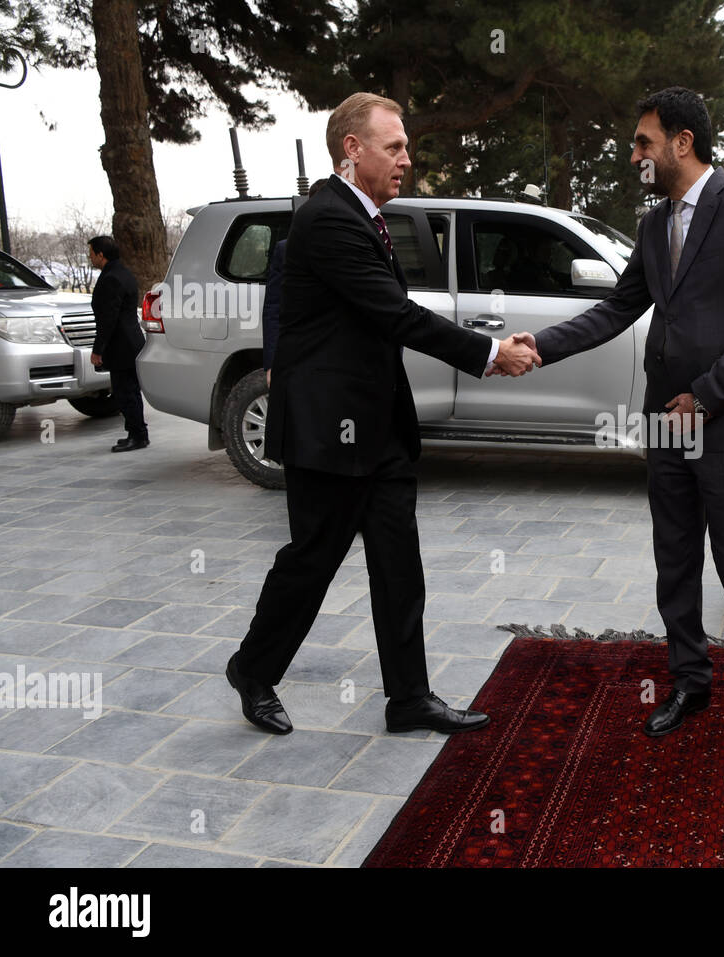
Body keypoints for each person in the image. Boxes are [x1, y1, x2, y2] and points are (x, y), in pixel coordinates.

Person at [226, 92, 540, 736]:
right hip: (328, 431)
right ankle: (252, 670)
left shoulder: (364, 216)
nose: (406, 159)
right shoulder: (328, 218)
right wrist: (488, 353)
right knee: (313, 561)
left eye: (406, 148)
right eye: (394, 147)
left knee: (399, 566)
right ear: (353, 149)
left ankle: (409, 698)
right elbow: (394, 314)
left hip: (379, 430)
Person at [525, 87, 724, 753]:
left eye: (644, 142)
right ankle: (689, 681)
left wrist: (704, 396)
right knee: (674, 560)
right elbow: (617, 308)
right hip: (666, 424)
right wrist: (539, 346)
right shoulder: (653, 226)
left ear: (682, 142)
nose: (635, 154)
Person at [262, 179, 330, 385]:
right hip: (303, 357)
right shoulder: (287, 249)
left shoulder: (358, 243)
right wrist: (272, 363)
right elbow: (274, 308)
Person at [87, 236, 148, 452]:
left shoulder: (111, 278)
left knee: (125, 393)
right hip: (131, 341)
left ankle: (137, 436)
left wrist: (98, 350)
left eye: (91, 253)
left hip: (121, 344)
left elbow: (108, 319)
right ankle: (137, 432)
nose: (90, 257)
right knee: (130, 391)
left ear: (101, 255)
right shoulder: (124, 273)